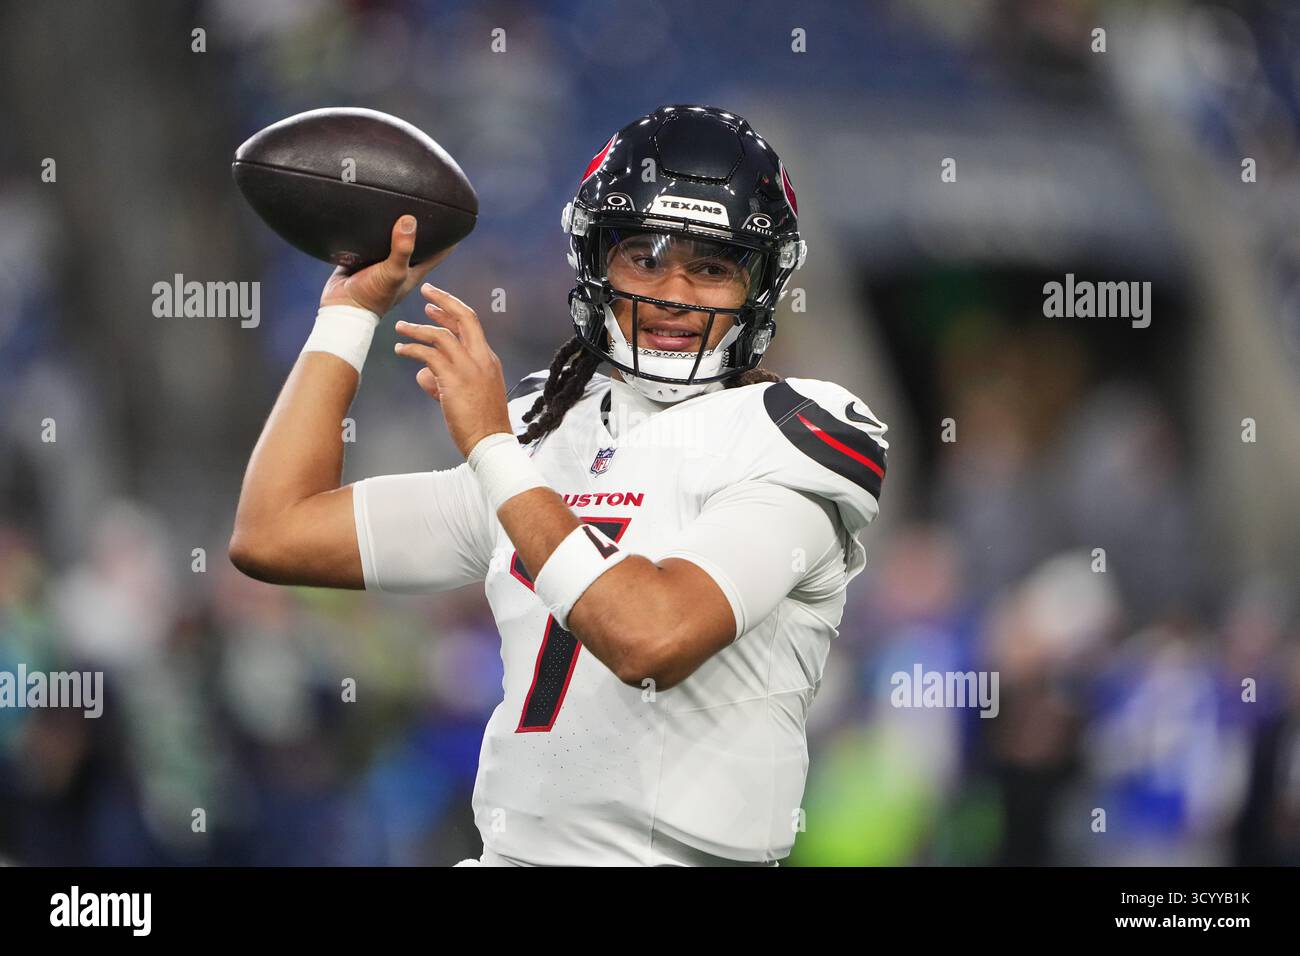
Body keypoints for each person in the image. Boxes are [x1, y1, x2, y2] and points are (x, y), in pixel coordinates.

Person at [229, 104, 889, 866]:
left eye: (710, 266)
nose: (674, 292)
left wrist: (491, 449)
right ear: (596, 264)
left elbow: (650, 638)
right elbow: (274, 531)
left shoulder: (796, 430)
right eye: (643, 257)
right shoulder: (544, 430)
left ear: (760, 283)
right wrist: (349, 314)